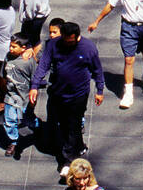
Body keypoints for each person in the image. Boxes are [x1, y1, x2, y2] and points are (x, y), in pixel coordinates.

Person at [29, 20, 105, 175]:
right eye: (65, 40)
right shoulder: (54, 45)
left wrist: (100, 89)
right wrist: (34, 86)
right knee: (68, 125)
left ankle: (68, 160)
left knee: (71, 125)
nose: (67, 44)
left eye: (70, 41)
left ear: (77, 37)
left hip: (78, 94)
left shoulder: (88, 48)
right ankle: (79, 146)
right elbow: (43, 64)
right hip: (58, 92)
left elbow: (97, 69)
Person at [0, 35, 39, 157]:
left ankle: (37, 126)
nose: (10, 49)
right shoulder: (8, 57)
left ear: (23, 48)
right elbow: (3, 74)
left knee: (26, 118)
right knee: (9, 120)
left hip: (24, 97)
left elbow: (35, 79)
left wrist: (33, 96)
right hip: (11, 96)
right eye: (10, 46)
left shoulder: (29, 61)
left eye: (14, 47)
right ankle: (13, 141)